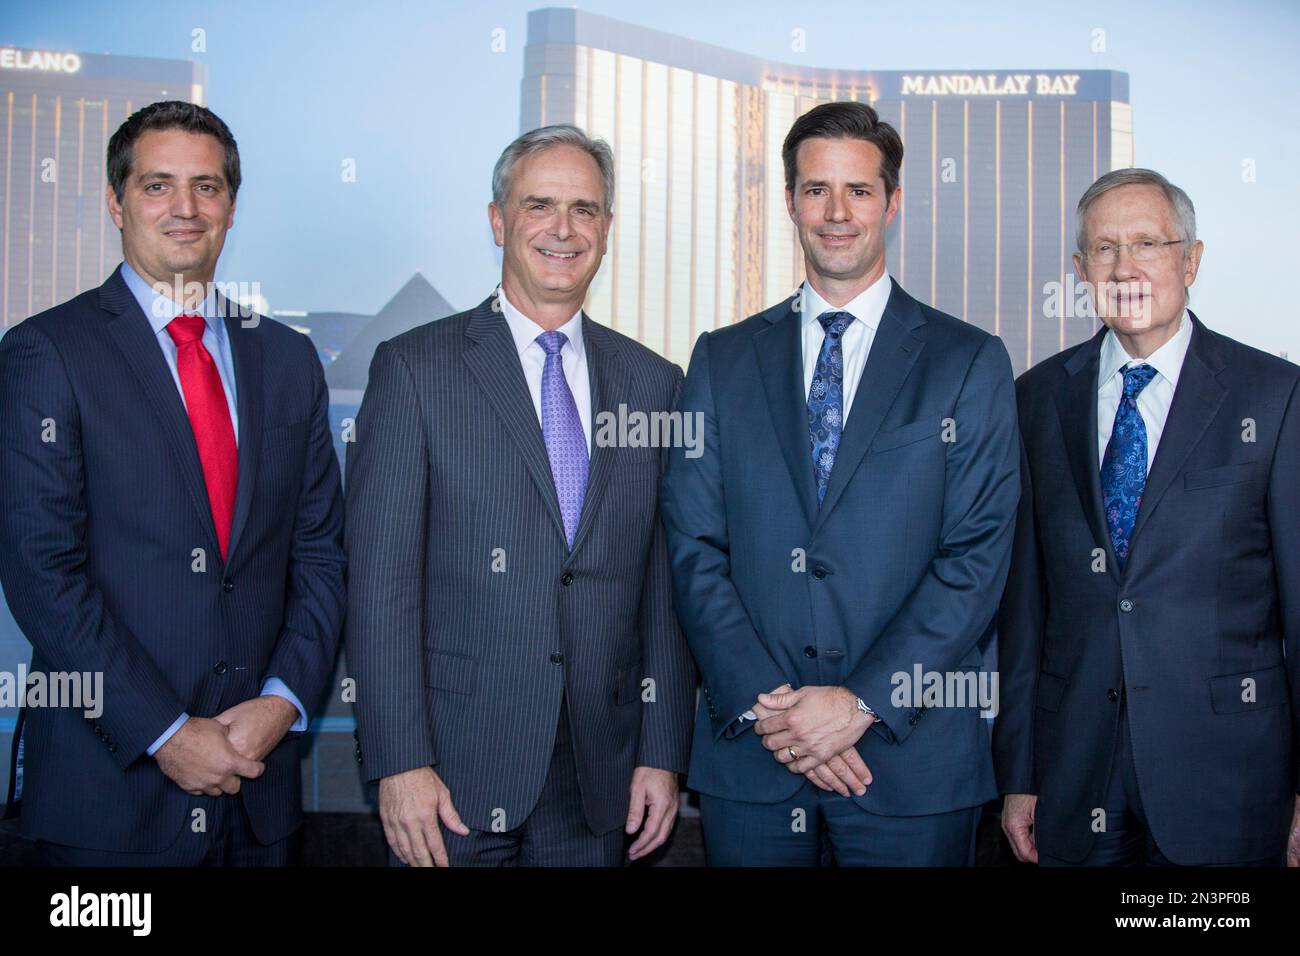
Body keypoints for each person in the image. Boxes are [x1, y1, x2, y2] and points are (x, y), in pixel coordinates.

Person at [660, 101, 1019, 865]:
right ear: (789, 201)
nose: (836, 212)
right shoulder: (720, 361)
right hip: (756, 758)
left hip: (911, 765)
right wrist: (780, 715)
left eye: (858, 190)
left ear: (892, 201)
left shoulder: (968, 361)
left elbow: (978, 558)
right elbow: (694, 547)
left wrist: (860, 704)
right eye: (816, 189)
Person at [0, 101, 345, 865]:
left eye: (207, 187)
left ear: (230, 205)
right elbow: (40, 571)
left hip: (260, 789)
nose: (185, 208)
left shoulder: (287, 360)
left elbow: (321, 555)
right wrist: (163, 730)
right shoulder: (46, 353)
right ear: (117, 202)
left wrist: (281, 704)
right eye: (158, 186)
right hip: (109, 797)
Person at [345, 125, 695, 867]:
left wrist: (661, 752)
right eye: (539, 205)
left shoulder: (653, 383)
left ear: (605, 228)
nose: (563, 229)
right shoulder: (414, 369)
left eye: (584, 208)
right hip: (451, 773)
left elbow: (664, 591)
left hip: (600, 780)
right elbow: (380, 585)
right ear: (499, 220)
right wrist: (399, 761)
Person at [996, 167, 1300, 867]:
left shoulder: (1274, 397)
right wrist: (1019, 776)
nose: (1124, 267)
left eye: (1147, 244)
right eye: (1103, 249)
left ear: (1191, 259)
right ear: (1080, 268)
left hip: (1230, 780)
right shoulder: (1037, 398)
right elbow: (1024, 611)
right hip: (1076, 777)